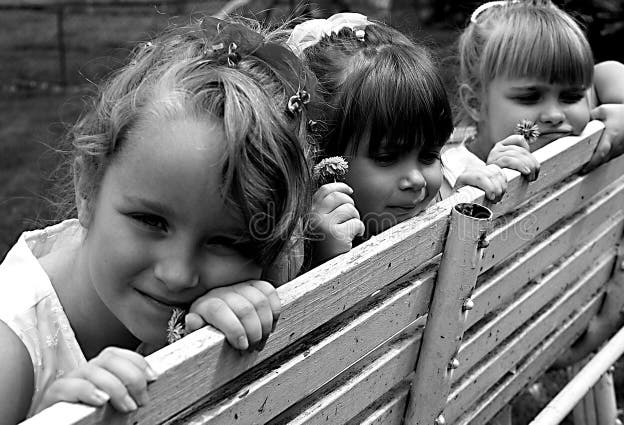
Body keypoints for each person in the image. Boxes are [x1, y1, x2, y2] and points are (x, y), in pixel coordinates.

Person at [0, 16, 316, 422]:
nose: (178, 274)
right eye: (151, 221)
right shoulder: (11, 349)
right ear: (87, 187)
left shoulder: (217, 314)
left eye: (227, 241)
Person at [287, 13, 464, 267]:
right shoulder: (294, 255)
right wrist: (324, 259)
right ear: (322, 157)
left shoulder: (433, 209)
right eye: (387, 158)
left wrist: (464, 201)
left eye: (428, 156)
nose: (416, 179)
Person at [440, 0, 624, 198]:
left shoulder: (570, 137)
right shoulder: (452, 177)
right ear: (475, 103)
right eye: (530, 98)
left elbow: (607, 72)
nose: (554, 115)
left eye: (572, 96)